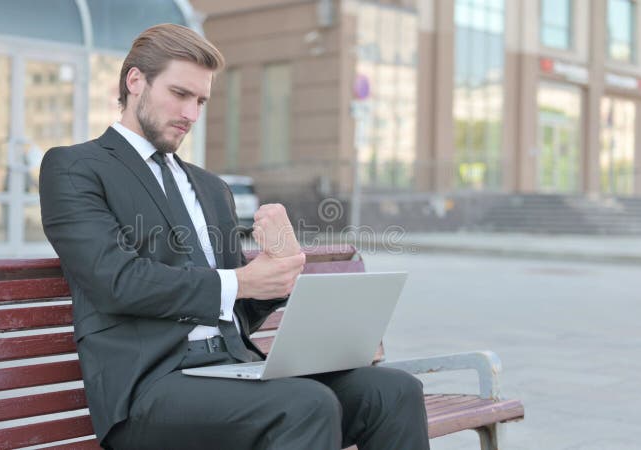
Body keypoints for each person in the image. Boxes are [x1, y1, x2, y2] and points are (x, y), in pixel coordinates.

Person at [39, 23, 429, 450]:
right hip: (148, 390)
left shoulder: (211, 188)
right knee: (305, 404)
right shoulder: (76, 168)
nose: (191, 114)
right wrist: (244, 280)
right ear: (136, 82)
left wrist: (280, 275)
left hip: (231, 370)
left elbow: (235, 312)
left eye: (201, 100)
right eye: (180, 94)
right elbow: (116, 282)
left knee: (392, 392)